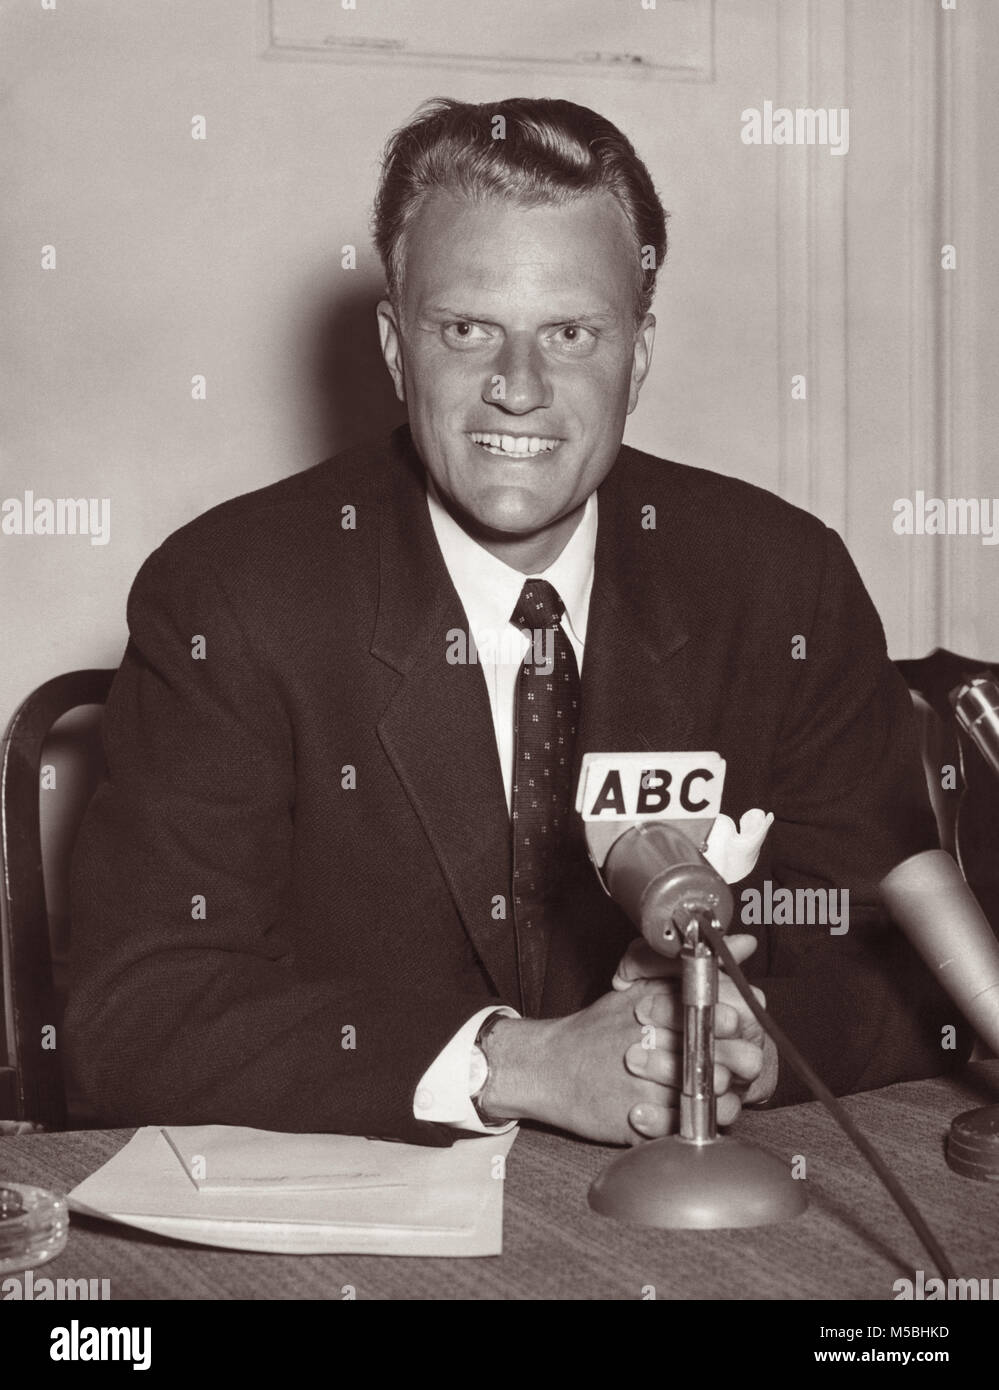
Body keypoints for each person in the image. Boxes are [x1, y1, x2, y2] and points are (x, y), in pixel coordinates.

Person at [67, 98, 965, 1147]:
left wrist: (749, 1036)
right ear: (398, 348)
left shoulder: (781, 581)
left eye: (572, 333)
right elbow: (130, 1015)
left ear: (638, 354)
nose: (519, 389)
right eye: (467, 329)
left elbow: (900, 955)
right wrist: (509, 1061)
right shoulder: (233, 595)